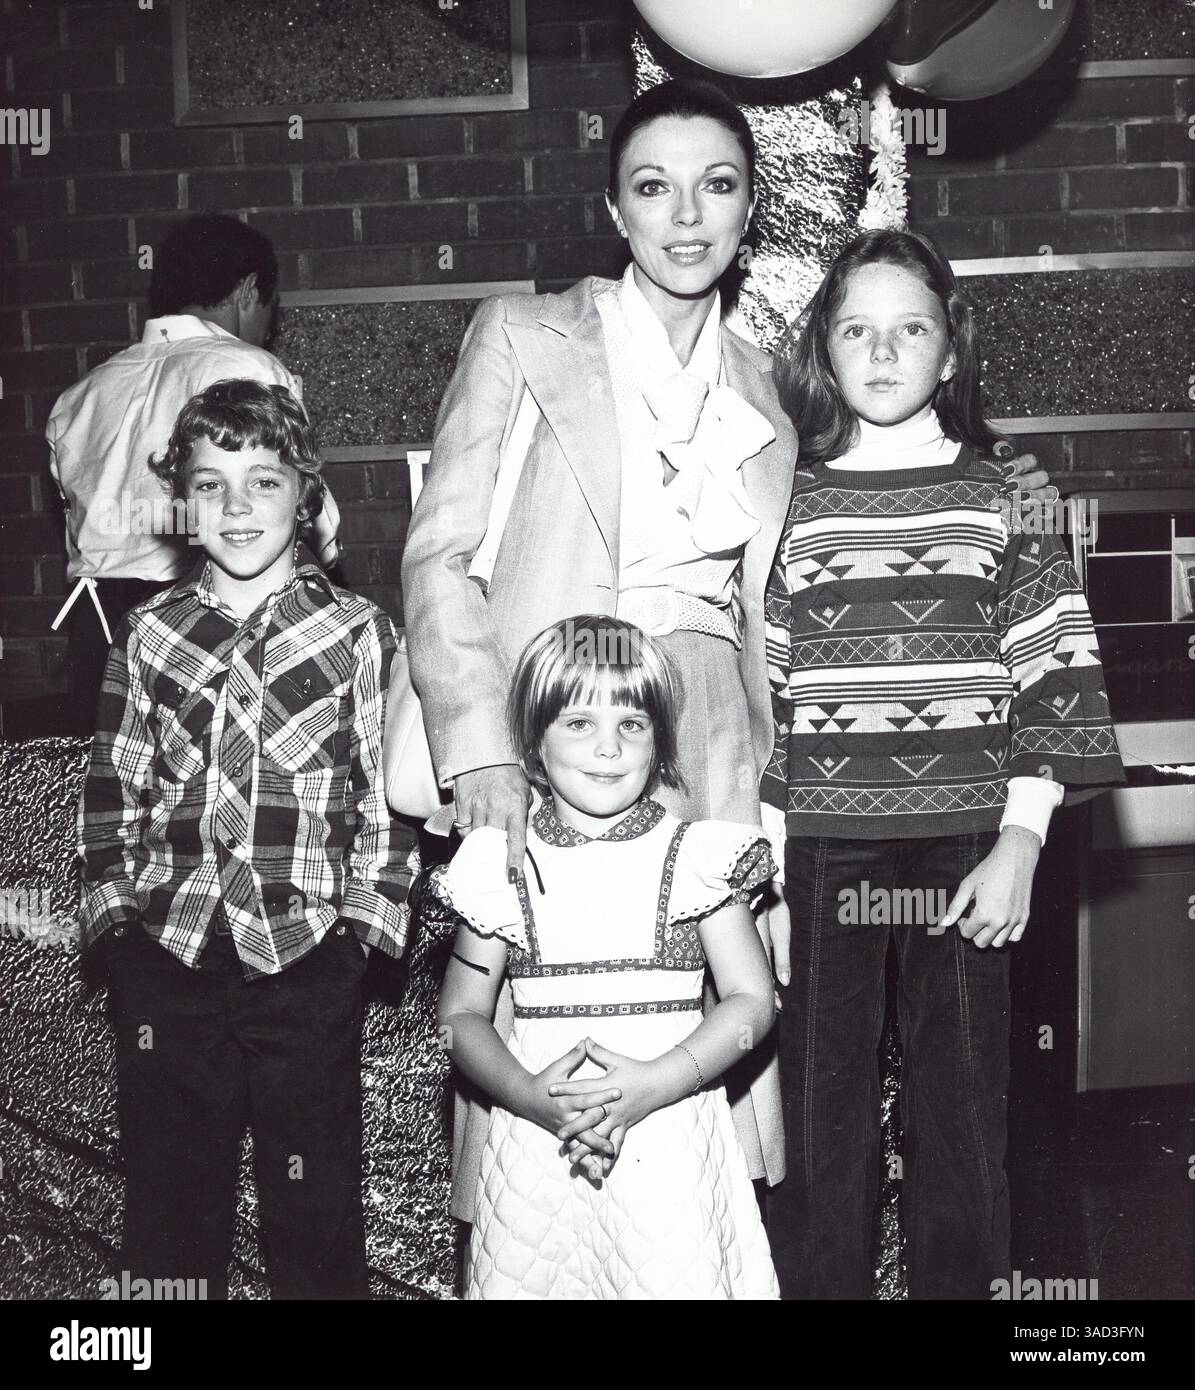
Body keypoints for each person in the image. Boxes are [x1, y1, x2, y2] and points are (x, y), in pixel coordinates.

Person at [401, 77, 1053, 1231]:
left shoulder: (770, 390)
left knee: (717, 1032)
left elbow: (831, 570)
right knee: (540, 1020)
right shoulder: (521, 332)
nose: (686, 215)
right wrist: (479, 751)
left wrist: (1014, 490)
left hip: (715, 737)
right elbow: (439, 554)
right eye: (654, 187)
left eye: (717, 186)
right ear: (614, 209)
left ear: (752, 210)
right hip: (554, 720)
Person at [761, 229, 1124, 1300]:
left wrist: (1020, 840)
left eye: (909, 328)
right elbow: (768, 691)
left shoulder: (1010, 486)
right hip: (822, 851)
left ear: (950, 352)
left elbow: (1055, 664)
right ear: (824, 352)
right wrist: (765, 874)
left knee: (962, 1113)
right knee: (820, 1119)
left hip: (966, 844)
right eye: (856, 331)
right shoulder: (789, 498)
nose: (883, 352)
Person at [76, 379, 416, 1299]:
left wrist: (362, 936)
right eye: (210, 483)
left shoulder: (358, 634)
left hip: (305, 955)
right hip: (169, 953)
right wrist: (117, 930)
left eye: (262, 481)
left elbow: (386, 804)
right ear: (181, 500)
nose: (236, 506)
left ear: (305, 496)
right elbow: (112, 790)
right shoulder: (150, 635)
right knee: (169, 1211)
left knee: (314, 1210)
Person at [432, 615, 779, 1299]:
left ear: (659, 740)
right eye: (577, 724)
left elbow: (750, 1000)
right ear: (533, 741)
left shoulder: (697, 857)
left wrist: (656, 1082)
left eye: (631, 725)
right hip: (538, 1143)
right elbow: (462, 1016)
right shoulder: (497, 863)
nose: (608, 748)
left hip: (668, 1130)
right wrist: (527, 1096)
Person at [46, 213, 340, 735]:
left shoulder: (78, 395)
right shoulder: (252, 369)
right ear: (248, 291)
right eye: (270, 310)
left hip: (94, 624)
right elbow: (310, 514)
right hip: (204, 618)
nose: (268, 326)